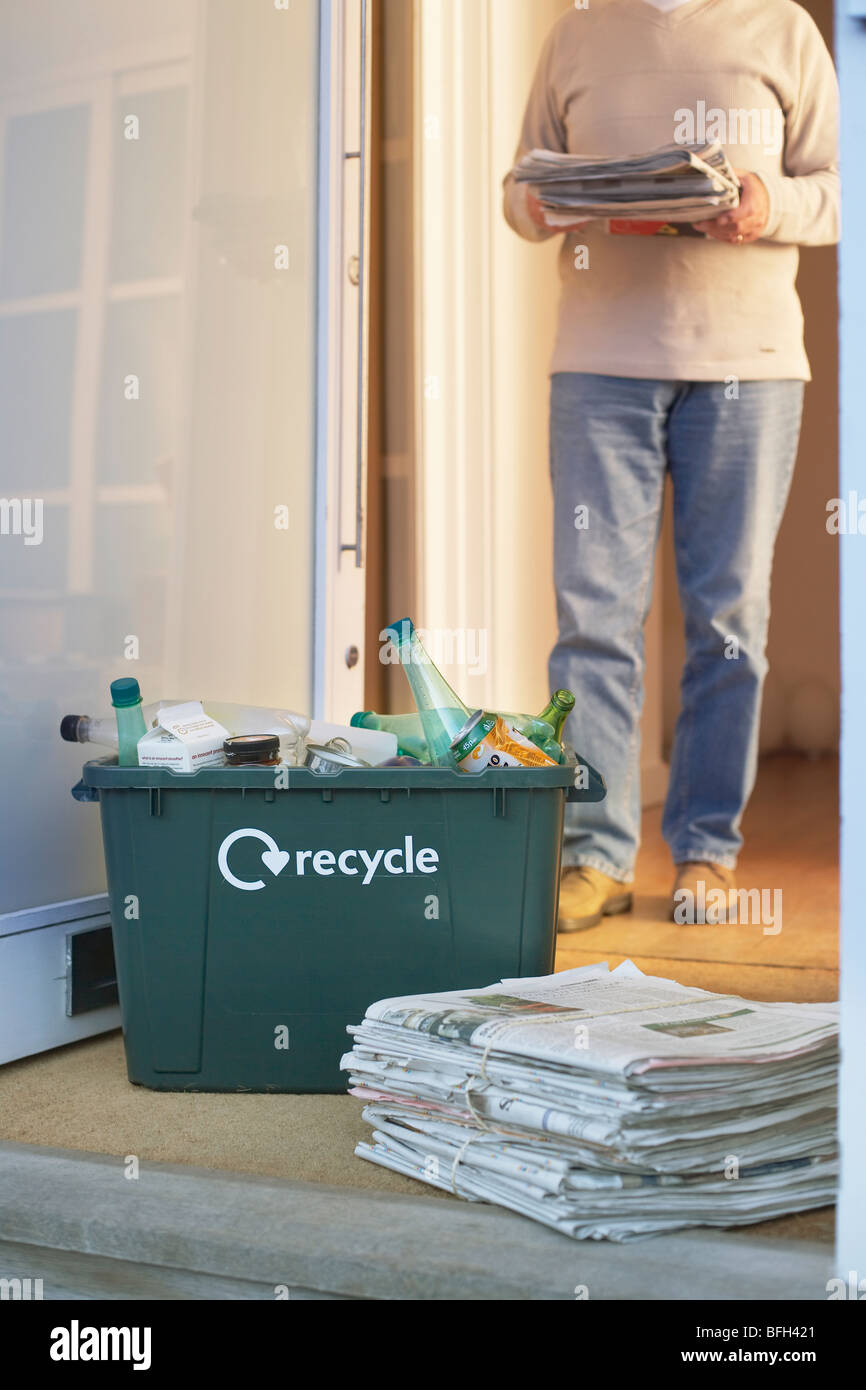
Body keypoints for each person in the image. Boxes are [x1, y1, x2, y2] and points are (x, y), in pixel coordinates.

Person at [503, 0, 839, 929]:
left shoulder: (784, 30)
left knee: (728, 621)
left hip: (750, 370)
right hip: (598, 371)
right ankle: (598, 857)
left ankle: (705, 855)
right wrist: (536, 204)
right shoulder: (575, 33)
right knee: (591, 621)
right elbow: (517, 189)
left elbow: (839, 190)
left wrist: (771, 204)